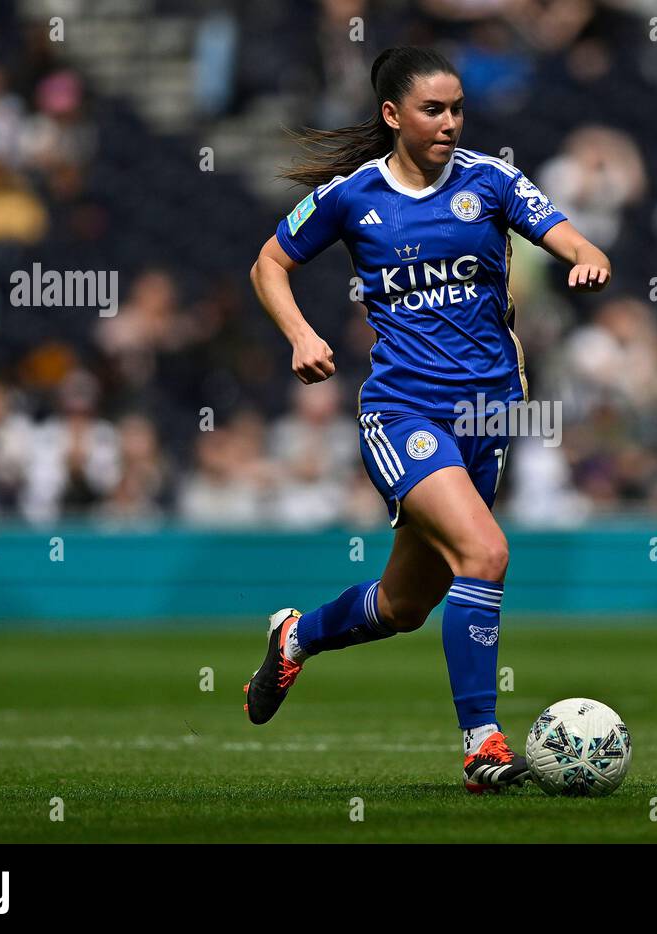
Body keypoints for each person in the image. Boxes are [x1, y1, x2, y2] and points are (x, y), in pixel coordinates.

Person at [244, 46, 611, 793]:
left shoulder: (492, 180)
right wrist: (303, 335)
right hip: (404, 410)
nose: (449, 123)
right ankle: (482, 745)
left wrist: (584, 258)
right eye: (432, 110)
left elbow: (570, 234)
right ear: (393, 115)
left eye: (456, 109)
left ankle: (296, 636)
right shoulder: (354, 197)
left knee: (405, 606)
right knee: (487, 554)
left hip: (489, 414)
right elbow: (269, 264)